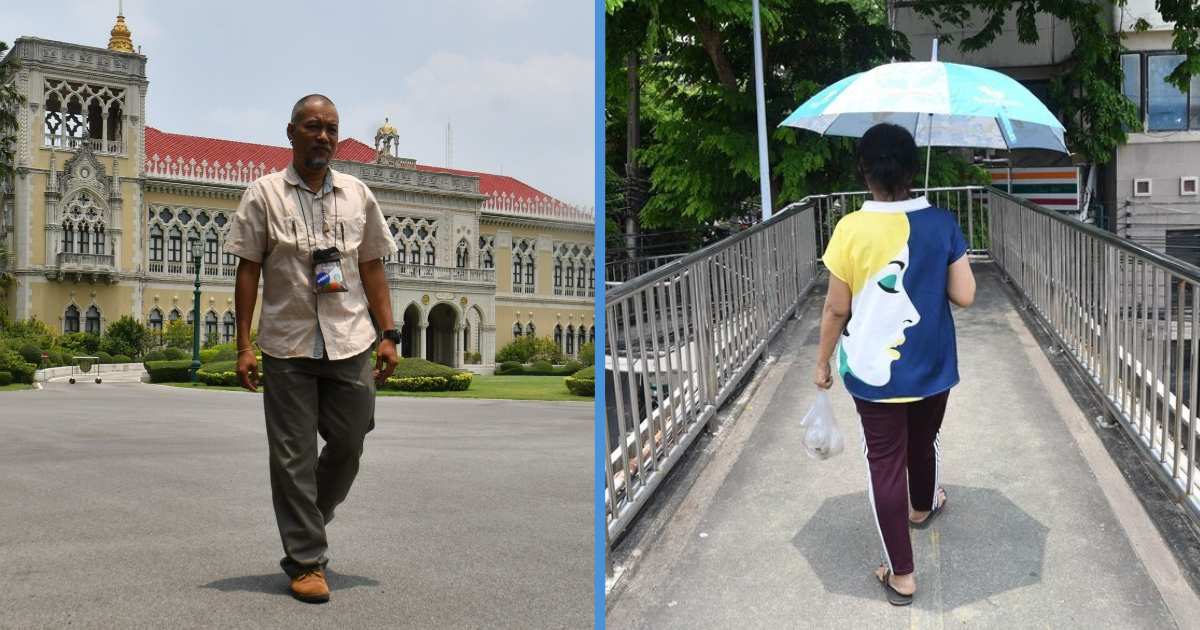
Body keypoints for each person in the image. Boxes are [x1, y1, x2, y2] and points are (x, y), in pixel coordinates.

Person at [224, 94, 400, 603]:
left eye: (332, 129)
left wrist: (389, 334)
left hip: (350, 340)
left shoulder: (358, 193)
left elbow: (371, 266)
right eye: (313, 127)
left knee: (349, 443)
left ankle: (305, 524)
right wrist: (243, 344)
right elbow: (248, 269)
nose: (323, 136)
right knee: (292, 457)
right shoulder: (263, 194)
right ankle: (305, 559)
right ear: (291, 132)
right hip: (288, 343)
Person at [813, 123, 976, 606]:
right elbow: (965, 295)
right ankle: (922, 508)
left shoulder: (849, 229)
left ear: (864, 171)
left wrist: (822, 362)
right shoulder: (942, 222)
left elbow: (836, 309)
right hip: (933, 365)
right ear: (911, 169)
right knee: (924, 440)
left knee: (885, 466)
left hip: (871, 371)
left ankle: (902, 575)